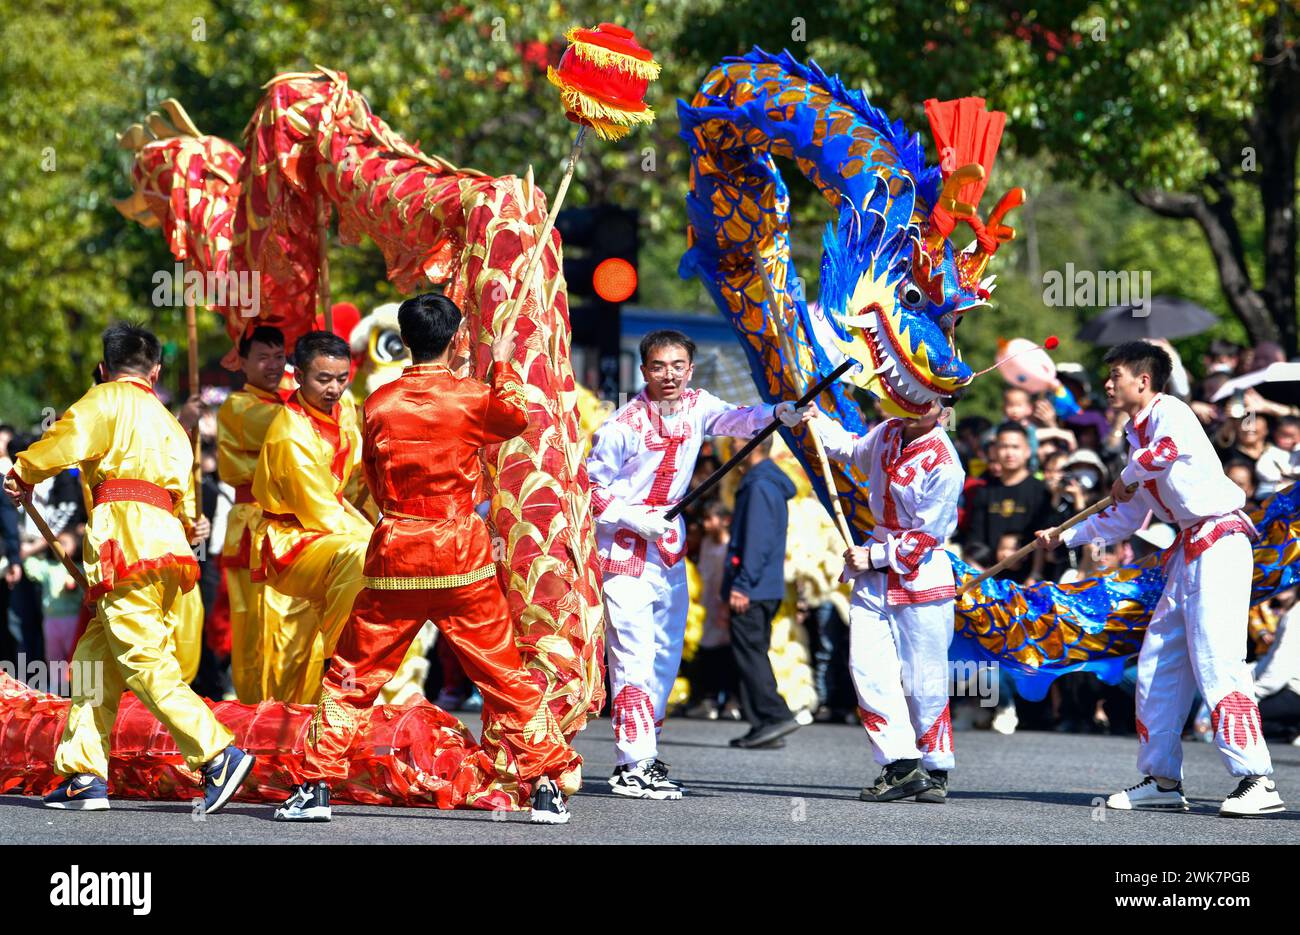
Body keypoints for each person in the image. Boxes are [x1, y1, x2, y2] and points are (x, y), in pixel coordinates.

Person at [275, 293, 581, 824]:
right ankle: (546, 781)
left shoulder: (379, 403)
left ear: (405, 338)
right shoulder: (471, 398)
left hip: (397, 552)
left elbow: (372, 477)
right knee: (503, 674)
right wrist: (501, 360)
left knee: (352, 673)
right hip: (461, 555)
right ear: (457, 338)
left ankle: (315, 785)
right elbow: (516, 418)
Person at [4, 323, 254, 814]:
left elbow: (63, 440)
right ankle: (84, 775)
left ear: (104, 367)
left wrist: (23, 471)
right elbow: (182, 500)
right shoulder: (169, 423)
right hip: (166, 545)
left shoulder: (104, 399)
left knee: (143, 659)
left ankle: (218, 755)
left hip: (127, 541)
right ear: (156, 370)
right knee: (95, 662)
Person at [1036, 340, 1282, 817]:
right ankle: (1163, 779)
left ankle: (1257, 778)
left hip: (1219, 540)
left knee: (1217, 658)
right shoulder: (1135, 435)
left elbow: (1165, 454)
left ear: (1143, 381)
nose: (1108, 385)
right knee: (1158, 662)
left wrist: (1128, 473)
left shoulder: (1171, 413)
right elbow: (1125, 517)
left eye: (1116, 376)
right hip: (1188, 551)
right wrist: (1064, 538)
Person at [585, 329, 812, 799]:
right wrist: (633, 517)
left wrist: (777, 414)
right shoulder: (620, 426)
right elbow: (586, 490)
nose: (668, 376)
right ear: (643, 370)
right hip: (624, 553)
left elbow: (737, 419)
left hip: (668, 552)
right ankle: (633, 762)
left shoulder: (698, 405)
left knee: (666, 659)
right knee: (633, 657)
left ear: (688, 370)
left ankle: (644, 755)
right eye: (658, 367)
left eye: (677, 367)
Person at [813, 397, 964, 804]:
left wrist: (874, 557)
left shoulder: (946, 464)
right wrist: (814, 419)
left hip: (920, 576)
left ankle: (935, 767)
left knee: (923, 677)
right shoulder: (886, 433)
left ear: (944, 411)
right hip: (873, 574)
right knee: (866, 666)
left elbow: (926, 537)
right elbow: (849, 448)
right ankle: (899, 762)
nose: (915, 404)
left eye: (928, 399)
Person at [250, 331, 372, 704]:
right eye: (323, 379)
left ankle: (349, 680)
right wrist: (377, 536)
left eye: (340, 378)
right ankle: (341, 665)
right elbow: (319, 510)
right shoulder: (289, 433)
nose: (334, 388)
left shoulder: (344, 407)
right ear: (298, 376)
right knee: (362, 553)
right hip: (293, 537)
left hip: (332, 526)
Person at [216, 325, 317, 702]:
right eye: (263, 356)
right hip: (257, 522)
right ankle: (260, 711)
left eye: (279, 356)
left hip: (296, 522)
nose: (273, 365)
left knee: (298, 621)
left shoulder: (290, 404)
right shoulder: (240, 407)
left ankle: (298, 708)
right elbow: (286, 430)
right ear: (241, 362)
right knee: (258, 626)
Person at [724, 437, 799, 749]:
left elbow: (757, 540)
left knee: (751, 654)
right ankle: (763, 726)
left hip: (753, 588)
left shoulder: (759, 486)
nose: (730, 444)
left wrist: (742, 584)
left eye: (736, 439)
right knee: (752, 652)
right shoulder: (763, 482)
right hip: (762, 585)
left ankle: (774, 715)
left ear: (752, 444)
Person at [962, 422, 1054, 583]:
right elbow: (975, 539)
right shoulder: (984, 491)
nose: (1009, 453)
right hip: (991, 579)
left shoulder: (1041, 491)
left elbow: (1046, 536)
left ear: (1028, 451)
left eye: (1015, 447)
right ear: (995, 451)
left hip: (1033, 581)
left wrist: (1035, 574)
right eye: (1004, 447)